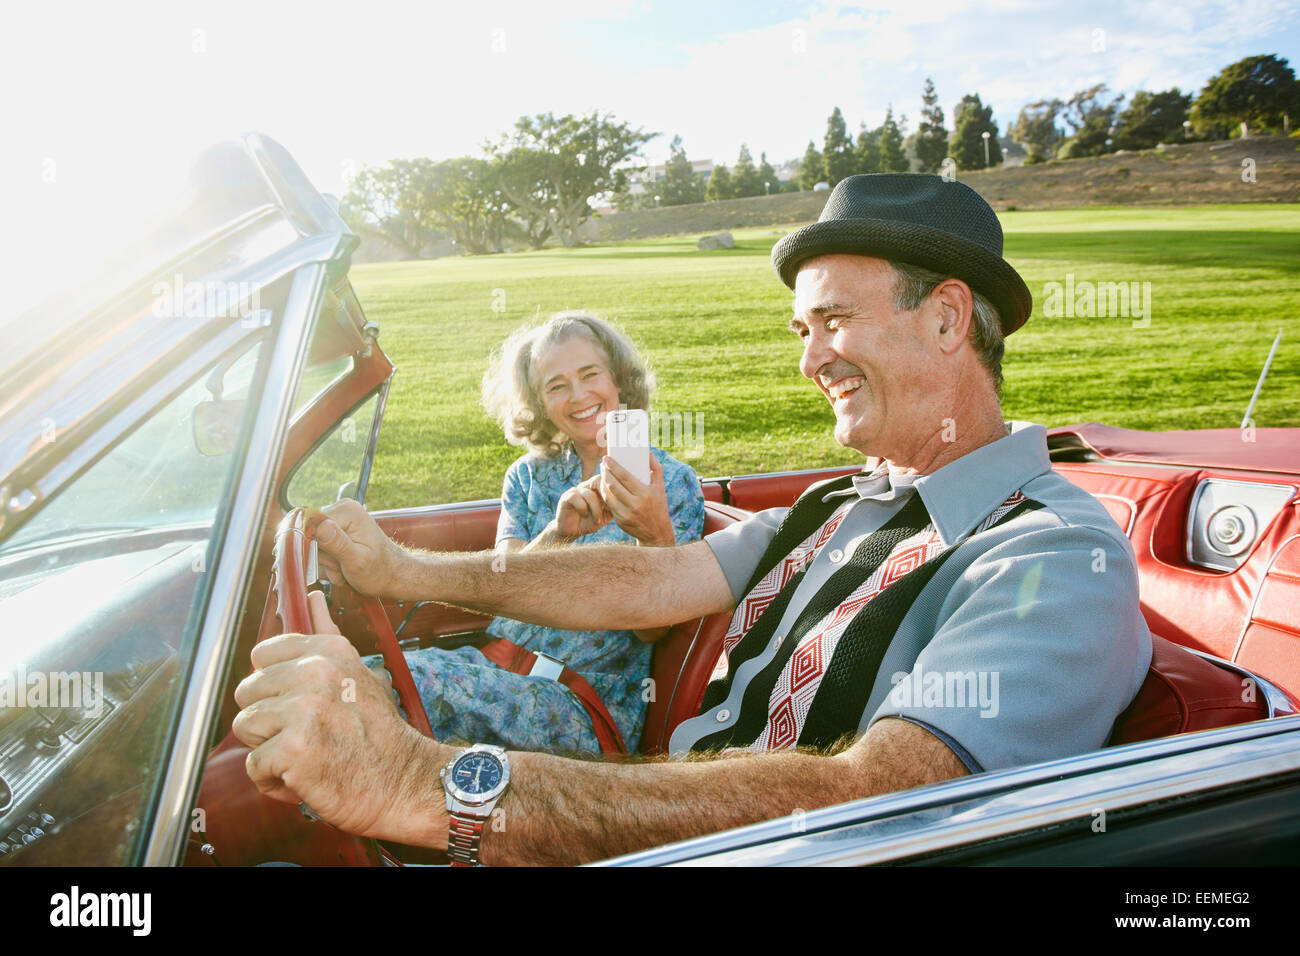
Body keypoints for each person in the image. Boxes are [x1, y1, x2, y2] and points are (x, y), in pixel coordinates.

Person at [233, 173, 1153, 866]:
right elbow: (649, 579)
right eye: (802, 332)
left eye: (832, 321)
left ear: (948, 320)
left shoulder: (1050, 554)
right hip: (654, 808)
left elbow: (876, 796)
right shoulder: (835, 503)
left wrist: (422, 784)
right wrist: (407, 572)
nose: (810, 362)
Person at [369, 312, 706, 756]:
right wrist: (557, 533)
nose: (579, 395)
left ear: (620, 380)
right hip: (497, 666)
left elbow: (653, 632)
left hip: (582, 703)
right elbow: (499, 587)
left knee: (398, 686)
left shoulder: (671, 483)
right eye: (557, 386)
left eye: (591, 375)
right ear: (539, 403)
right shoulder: (527, 476)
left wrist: (654, 535)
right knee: (362, 674)